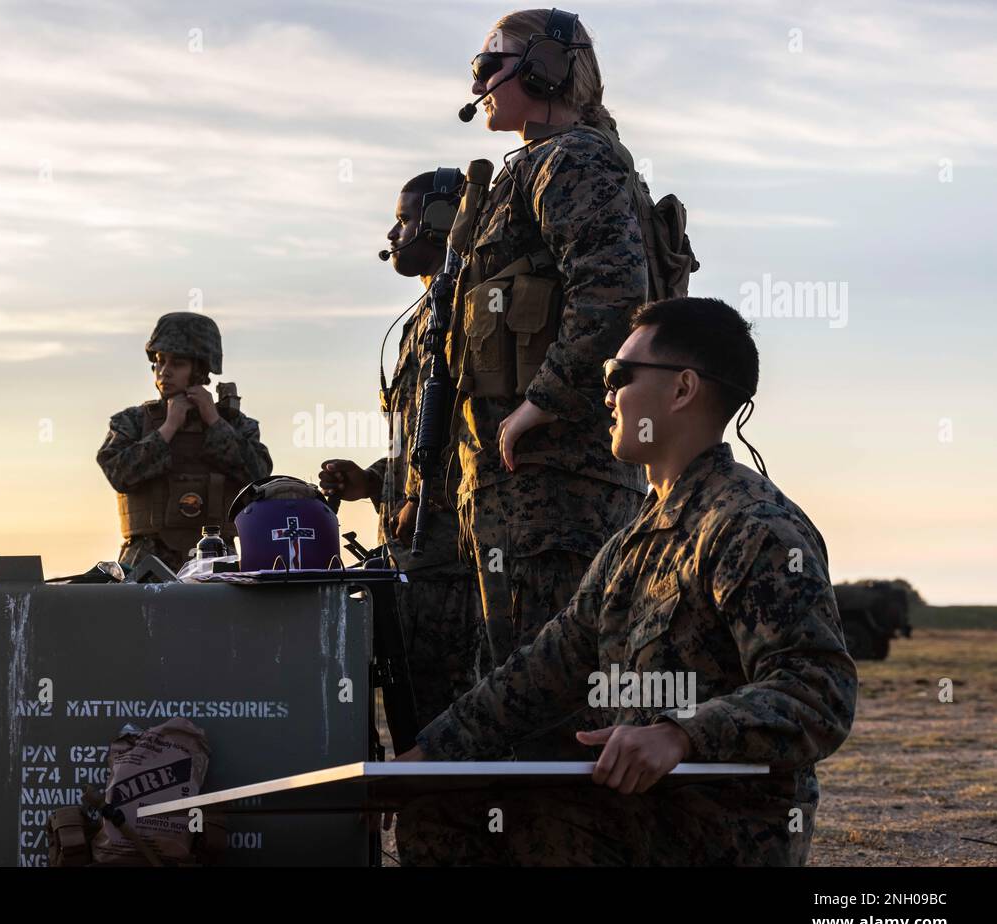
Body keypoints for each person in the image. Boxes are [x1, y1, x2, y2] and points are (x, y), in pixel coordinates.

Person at [396, 298, 858, 866]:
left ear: (683, 388)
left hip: (718, 829)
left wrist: (681, 735)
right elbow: (543, 670)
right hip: (640, 812)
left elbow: (819, 693)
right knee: (438, 807)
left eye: (619, 375)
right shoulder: (635, 538)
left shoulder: (752, 527)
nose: (606, 395)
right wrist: (425, 758)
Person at [437, 8, 650, 682]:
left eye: (488, 64)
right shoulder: (524, 171)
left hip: (557, 482)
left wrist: (542, 404)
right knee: (510, 672)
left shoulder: (574, 160)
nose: (480, 82)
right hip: (515, 486)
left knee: (549, 676)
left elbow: (613, 296)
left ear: (545, 68)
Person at [319, 170, 484, 732]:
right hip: (412, 548)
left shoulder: (469, 309)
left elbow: (470, 432)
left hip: (445, 555)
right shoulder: (424, 319)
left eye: (406, 217)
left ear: (441, 221)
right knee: (409, 703)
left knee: (440, 710)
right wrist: (371, 481)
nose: (394, 232)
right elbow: (421, 439)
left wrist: (422, 495)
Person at [97, 312, 272, 572]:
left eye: (177, 364)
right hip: (146, 561)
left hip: (216, 558)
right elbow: (118, 474)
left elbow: (258, 476)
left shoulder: (235, 425)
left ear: (200, 370)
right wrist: (168, 429)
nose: (164, 372)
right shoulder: (132, 422)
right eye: (159, 362)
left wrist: (213, 421)